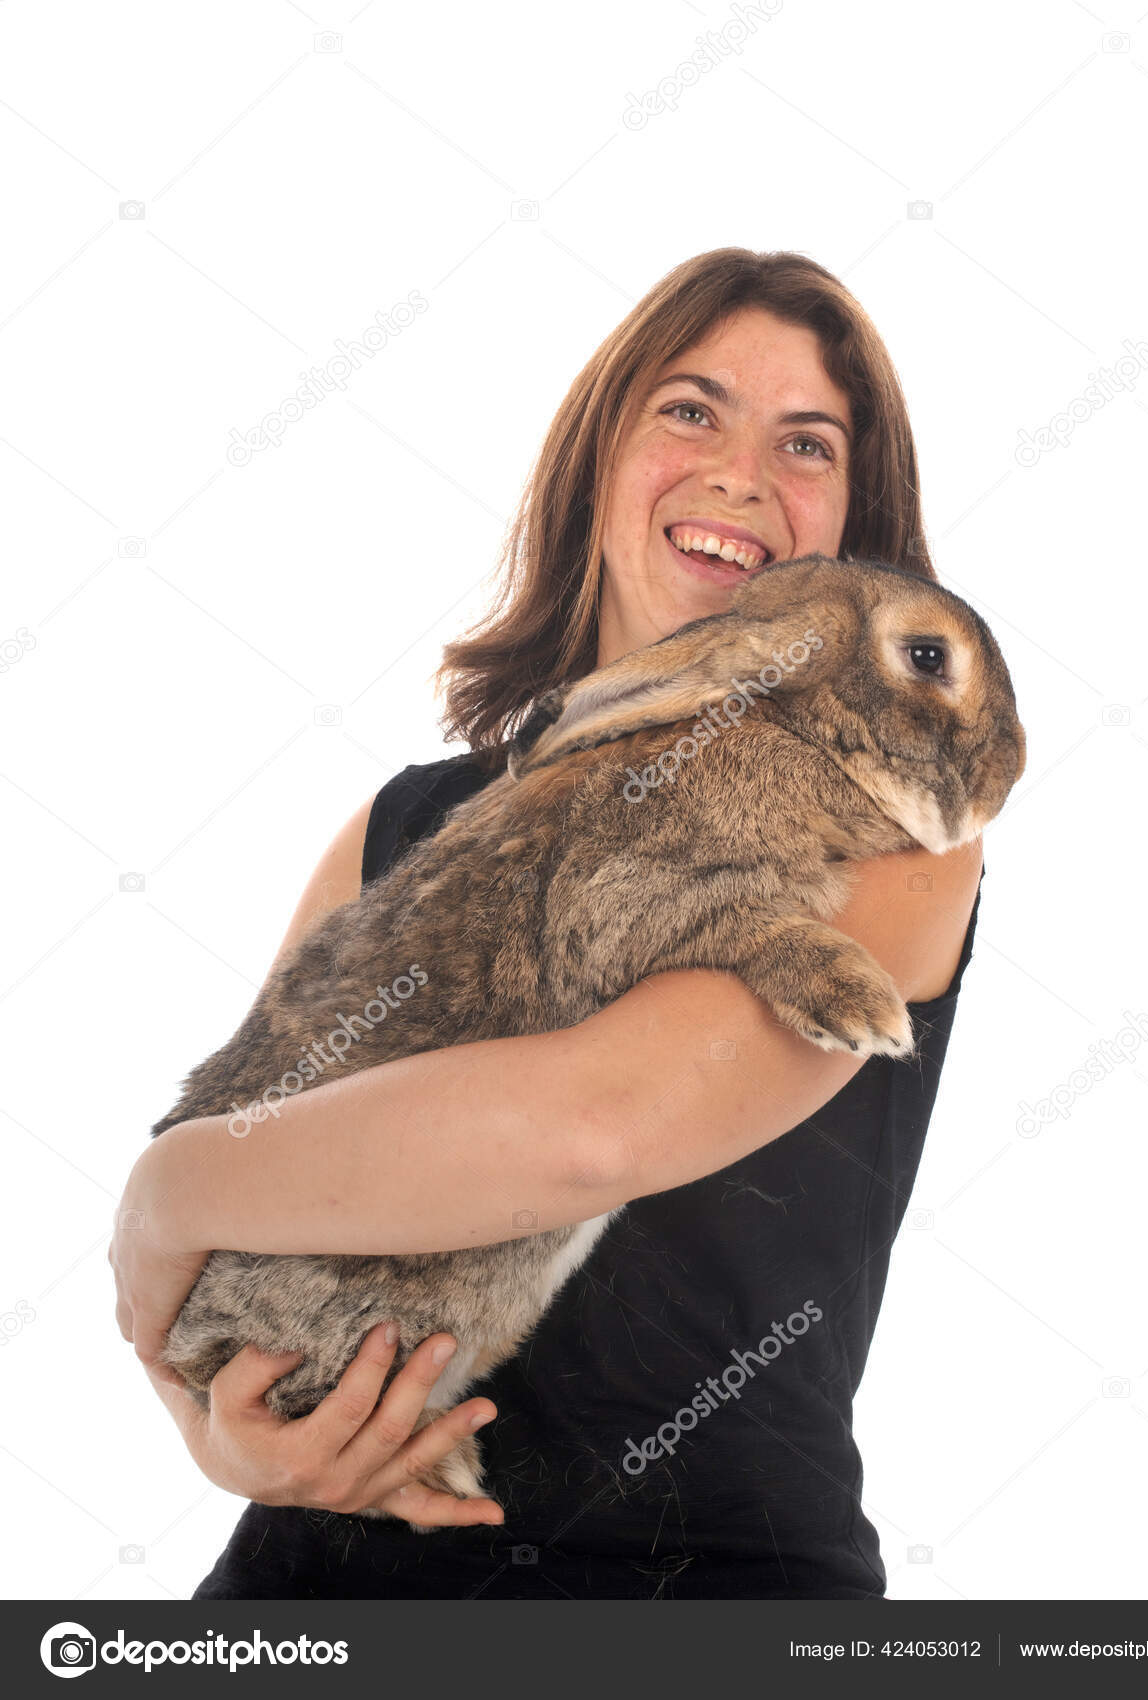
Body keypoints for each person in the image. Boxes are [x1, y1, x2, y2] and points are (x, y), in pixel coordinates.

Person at [111, 248, 988, 1599]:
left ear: (851, 542)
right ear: (598, 460)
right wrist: (228, 1440)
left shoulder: (897, 830)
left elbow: (592, 1128)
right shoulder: (412, 821)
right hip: (312, 1589)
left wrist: (163, 1199)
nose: (740, 472)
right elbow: (245, 1134)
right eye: (689, 411)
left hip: (708, 1599)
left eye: (802, 443)